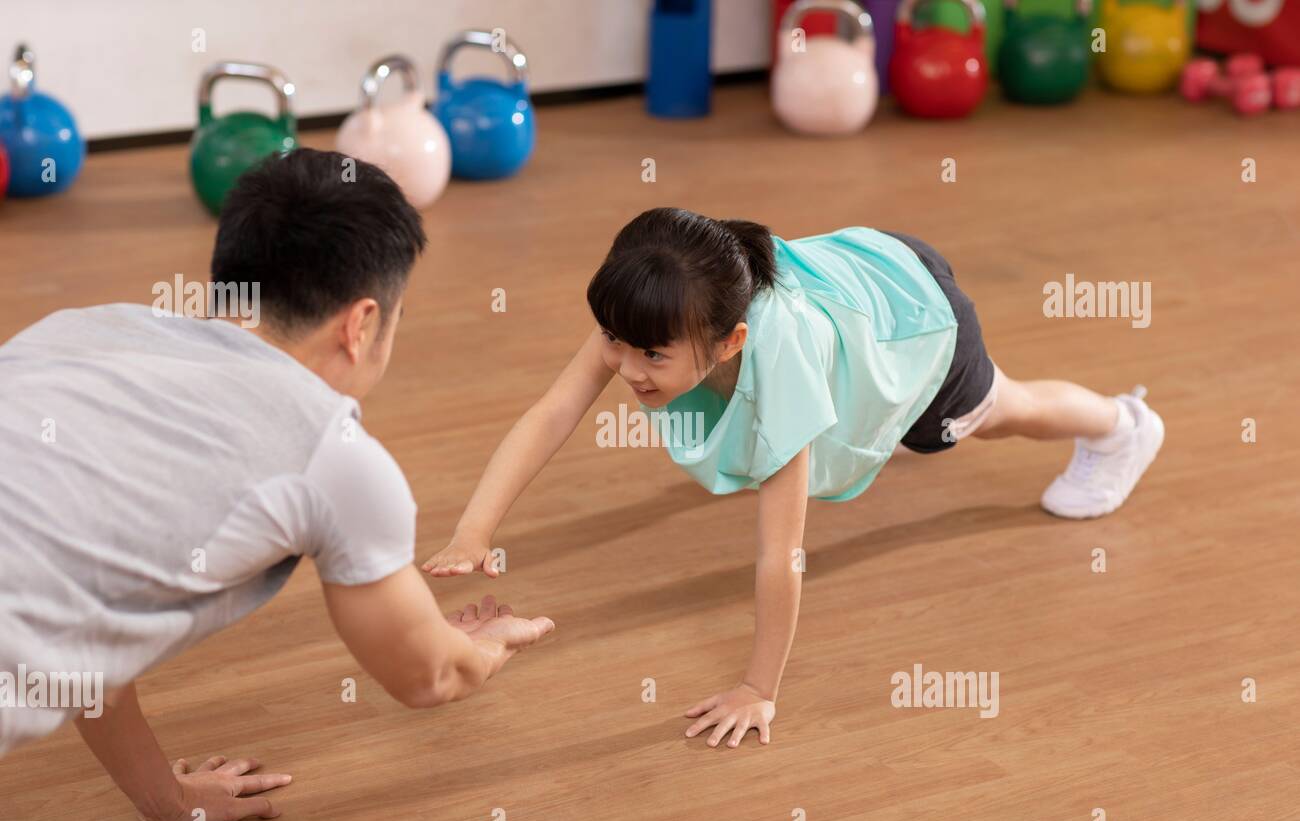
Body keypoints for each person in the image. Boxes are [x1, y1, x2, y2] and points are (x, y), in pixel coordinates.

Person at [424, 207, 1163, 749]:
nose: (622, 367)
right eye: (614, 342)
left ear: (731, 341)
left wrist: (758, 689)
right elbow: (552, 412)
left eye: (651, 356)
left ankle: (1122, 427)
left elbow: (783, 554)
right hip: (864, 271)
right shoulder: (653, 312)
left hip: (918, 323)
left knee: (1006, 410)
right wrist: (473, 531)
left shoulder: (780, 375)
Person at [0, 149, 554, 821]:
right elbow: (429, 677)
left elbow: (81, 590)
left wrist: (165, 798)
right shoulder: (335, 458)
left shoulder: (79, 331)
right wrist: (486, 645)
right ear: (361, 324)